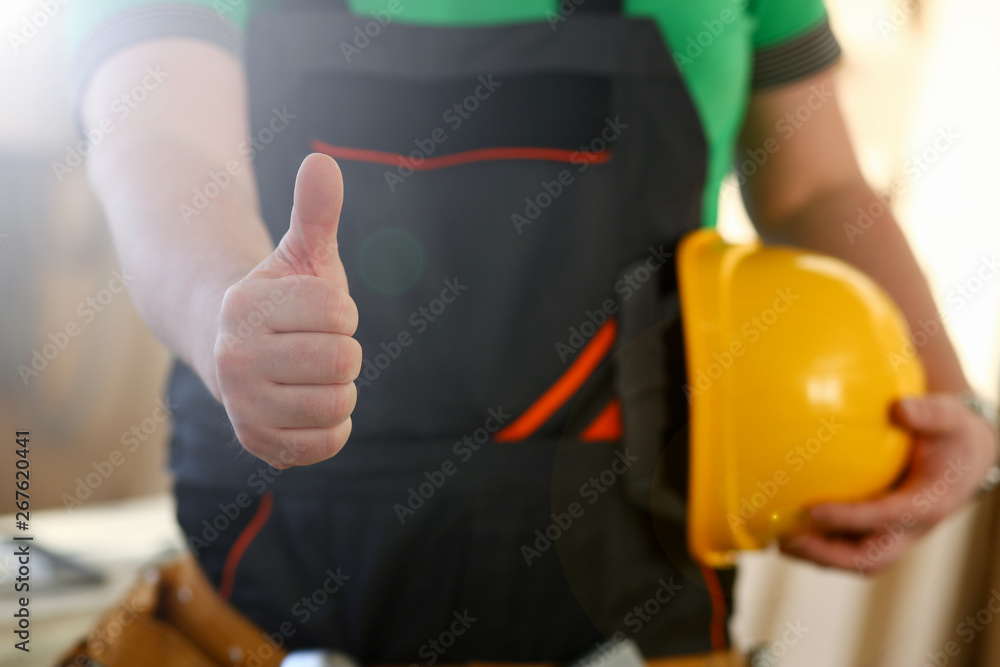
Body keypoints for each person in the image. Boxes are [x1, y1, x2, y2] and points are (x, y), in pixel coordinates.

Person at [66, 0, 998, 663]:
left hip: (638, 612)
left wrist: (948, 401)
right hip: (256, 613)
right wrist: (229, 307)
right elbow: (157, 144)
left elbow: (816, 185)